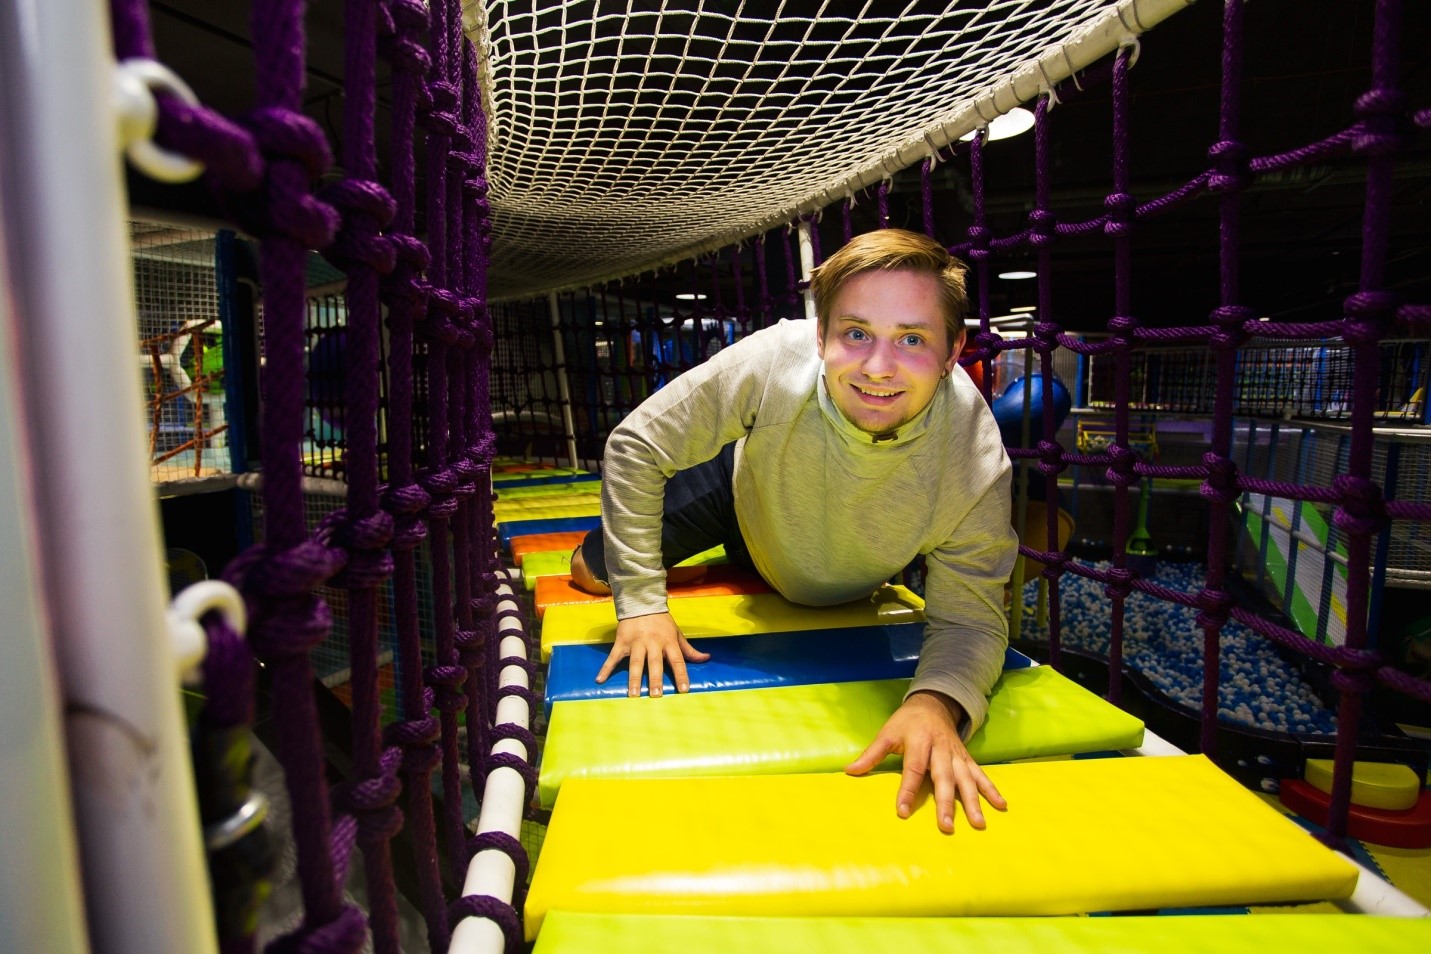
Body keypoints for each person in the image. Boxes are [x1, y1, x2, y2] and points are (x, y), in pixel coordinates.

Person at [571, 228, 1017, 834]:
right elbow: (636, 445)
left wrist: (936, 704)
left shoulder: (975, 463)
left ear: (952, 350)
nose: (878, 368)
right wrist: (644, 605)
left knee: (827, 594)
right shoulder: (776, 360)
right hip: (740, 494)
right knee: (591, 573)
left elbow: (972, 619)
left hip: (829, 555)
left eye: (912, 339)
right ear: (821, 335)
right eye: (856, 334)